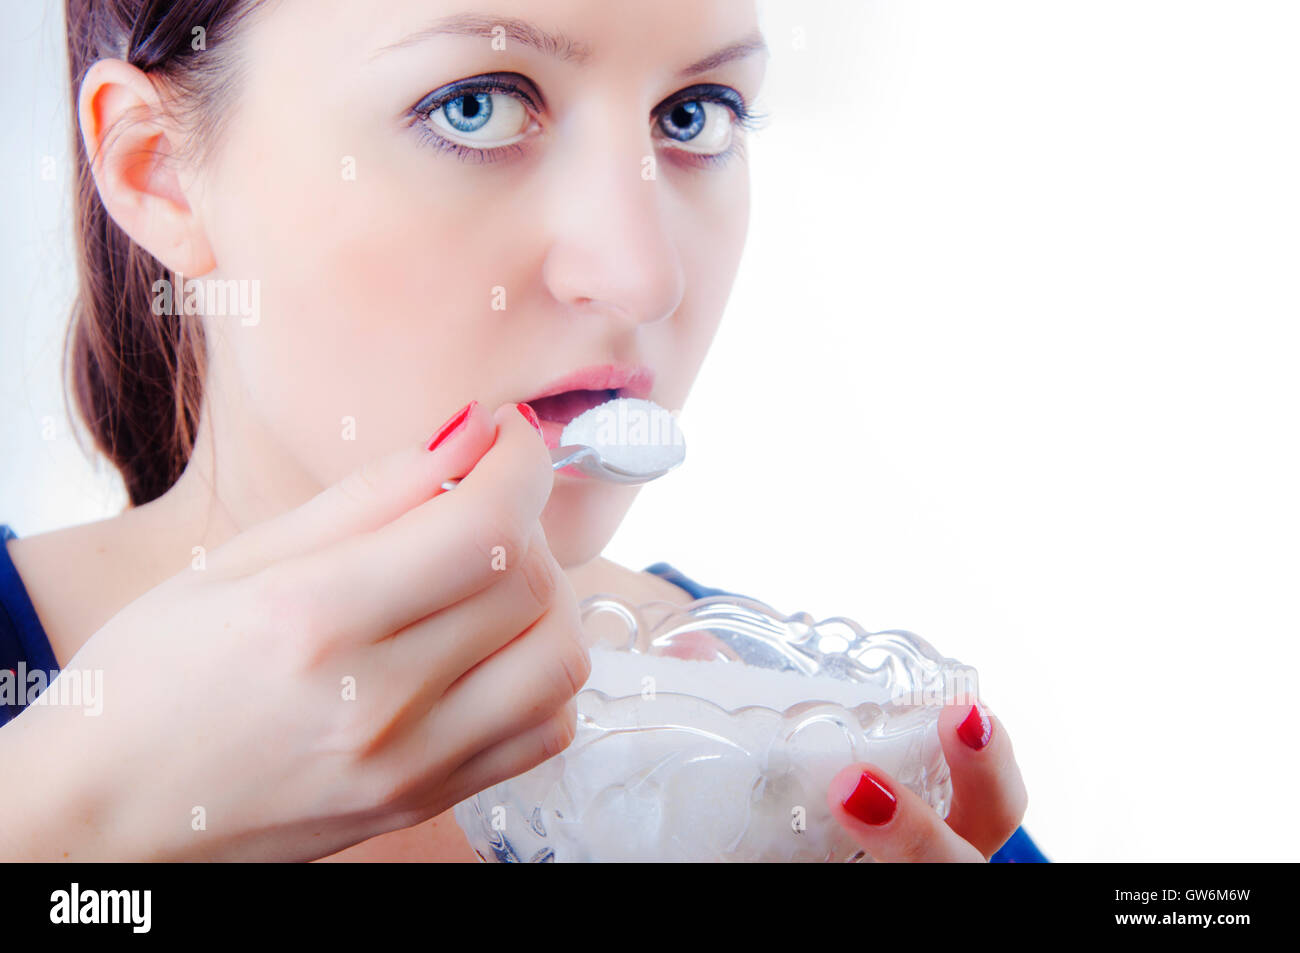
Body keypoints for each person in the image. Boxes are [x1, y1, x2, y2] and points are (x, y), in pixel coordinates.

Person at [0, 0, 1036, 862]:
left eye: (692, 115)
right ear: (156, 169)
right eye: (476, 105)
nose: (641, 276)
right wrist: (65, 818)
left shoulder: (830, 756)